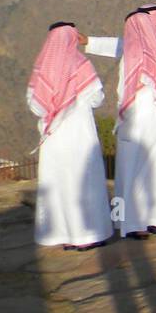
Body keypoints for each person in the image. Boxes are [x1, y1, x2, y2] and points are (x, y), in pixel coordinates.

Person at [82, 6, 156, 238]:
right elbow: (123, 45)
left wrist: (87, 42)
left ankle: (131, 224)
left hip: (139, 114)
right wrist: (89, 41)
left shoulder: (135, 47)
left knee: (131, 169)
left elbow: (125, 48)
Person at [25, 22, 112, 249]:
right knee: (84, 181)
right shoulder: (81, 64)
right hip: (80, 134)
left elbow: (35, 106)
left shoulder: (42, 67)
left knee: (59, 183)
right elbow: (97, 98)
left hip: (54, 137)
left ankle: (63, 235)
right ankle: (86, 235)